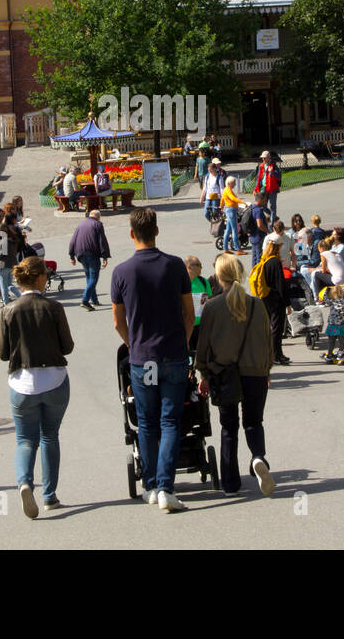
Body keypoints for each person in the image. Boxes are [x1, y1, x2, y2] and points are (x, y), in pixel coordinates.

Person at [110, 207, 195, 512]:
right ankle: (166, 488)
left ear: (132, 233)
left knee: (146, 422)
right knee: (171, 420)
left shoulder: (121, 272)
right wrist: (183, 343)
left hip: (143, 359)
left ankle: (149, 485)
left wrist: (132, 344)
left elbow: (118, 321)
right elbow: (189, 313)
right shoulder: (175, 266)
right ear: (157, 231)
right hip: (173, 354)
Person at [0, 256, 75, 518]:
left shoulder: (8, 310)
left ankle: (25, 482)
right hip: (53, 379)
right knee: (50, 436)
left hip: (22, 382)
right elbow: (68, 347)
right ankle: (50, 496)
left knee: (25, 439)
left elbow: (2, 353)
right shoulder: (54, 308)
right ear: (41, 277)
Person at [196, 253, 276, 496]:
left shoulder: (211, 306)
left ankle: (230, 483)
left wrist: (203, 373)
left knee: (228, 427)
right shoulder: (256, 304)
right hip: (256, 372)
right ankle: (257, 457)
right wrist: (267, 368)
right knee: (253, 421)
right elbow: (267, 339)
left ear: (219, 276)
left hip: (224, 372)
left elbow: (204, 345)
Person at [253, 237, 291, 366]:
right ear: (277, 247)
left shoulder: (265, 260)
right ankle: (276, 355)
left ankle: (272, 353)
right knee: (277, 328)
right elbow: (280, 285)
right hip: (276, 300)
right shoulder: (275, 262)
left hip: (265, 297)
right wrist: (287, 303)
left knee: (268, 327)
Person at [68, 209, 111, 312]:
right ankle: (85, 300)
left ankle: (94, 300)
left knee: (89, 277)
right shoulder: (98, 224)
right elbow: (102, 241)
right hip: (91, 253)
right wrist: (105, 256)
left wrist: (71, 256)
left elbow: (72, 241)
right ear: (98, 217)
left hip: (80, 254)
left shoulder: (80, 225)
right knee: (94, 278)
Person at [0, 211, 19, 305]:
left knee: (3, 286)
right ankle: (21, 296)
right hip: (12, 264)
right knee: (9, 284)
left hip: (2, 265)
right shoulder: (12, 240)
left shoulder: (3, 241)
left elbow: (0, 254)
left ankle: (6, 303)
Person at [185, 256, 212, 353]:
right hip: (184, 327)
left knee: (199, 354)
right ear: (189, 267)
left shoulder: (203, 281)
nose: (201, 267)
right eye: (198, 265)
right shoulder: (179, 282)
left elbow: (210, 300)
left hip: (200, 327)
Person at [252, 150, 282, 222]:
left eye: (264, 158)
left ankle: (271, 225)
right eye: (262, 158)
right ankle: (274, 216)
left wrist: (272, 172)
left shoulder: (274, 165)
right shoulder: (261, 166)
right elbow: (258, 178)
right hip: (264, 189)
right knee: (263, 207)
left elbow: (279, 176)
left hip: (272, 189)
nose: (263, 159)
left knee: (273, 207)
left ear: (269, 157)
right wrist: (255, 189)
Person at [221, 176, 245, 254]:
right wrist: (242, 202)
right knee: (235, 230)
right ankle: (238, 249)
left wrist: (221, 206)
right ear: (229, 183)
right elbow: (232, 198)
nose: (235, 184)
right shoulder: (228, 190)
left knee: (228, 230)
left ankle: (225, 248)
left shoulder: (226, 189)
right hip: (231, 210)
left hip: (228, 209)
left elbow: (222, 199)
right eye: (233, 182)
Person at [246, 201, 270, 268]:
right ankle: (258, 275)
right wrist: (268, 232)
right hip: (259, 236)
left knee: (254, 257)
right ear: (261, 200)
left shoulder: (252, 207)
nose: (265, 201)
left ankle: (253, 273)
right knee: (259, 257)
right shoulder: (258, 210)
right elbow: (260, 225)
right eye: (265, 199)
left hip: (253, 236)